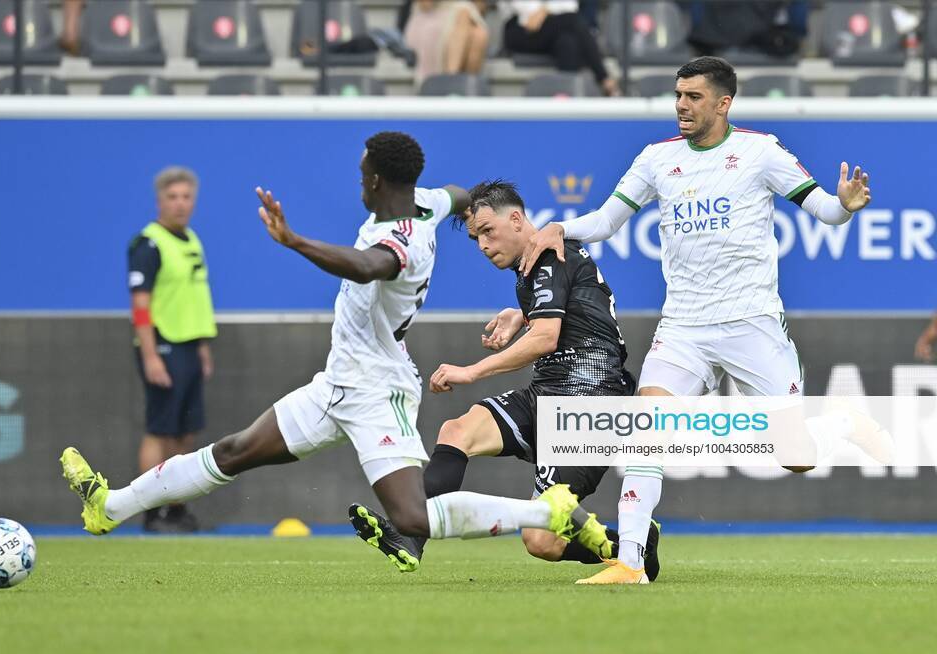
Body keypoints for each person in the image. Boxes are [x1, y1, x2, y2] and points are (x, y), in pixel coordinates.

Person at [61, 132, 606, 565]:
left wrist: (295, 241)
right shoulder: (428, 202)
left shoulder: (404, 243)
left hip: (376, 389)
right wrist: (518, 228)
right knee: (231, 453)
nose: (359, 183)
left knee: (413, 518)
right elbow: (461, 196)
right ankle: (109, 506)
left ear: (377, 179)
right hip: (335, 382)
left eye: (363, 173)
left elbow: (369, 265)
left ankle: (547, 514)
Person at [520, 56, 877, 583]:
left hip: (750, 323)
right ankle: (631, 563)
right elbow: (607, 219)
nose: (682, 106)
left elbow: (823, 209)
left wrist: (845, 206)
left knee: (794, 456)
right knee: (648, 431)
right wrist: (560, 227)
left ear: (723, 103)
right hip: (684, 326)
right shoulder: (657, 159)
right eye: (678, 95)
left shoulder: (760, 152)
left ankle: (845, 422)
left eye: (693, 97)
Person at [350, 180, 660, 581]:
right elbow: (574, 317)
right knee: (457, 431)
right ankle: (411, 534)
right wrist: (522, 313)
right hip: (548, 392)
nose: (482, 244)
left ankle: (634, 548)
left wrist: (472, 371)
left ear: (516, 219)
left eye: (487, 231)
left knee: (540, 541)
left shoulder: (551, 256)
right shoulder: (531, 269)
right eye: (476, 237)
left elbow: (547, 338)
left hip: (590, 406)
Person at [126, 166, 216, 533]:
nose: (180, 204)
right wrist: (150, 355)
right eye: (172, 197)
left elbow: (193, 298)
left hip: (189, 346)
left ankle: (176, 509)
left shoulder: (191, 239)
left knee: (185, 433)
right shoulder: (148, 244)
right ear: (159, 201)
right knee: (160, 430)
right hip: (162, 346)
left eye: (186, 197)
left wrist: (203, 347)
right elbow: (141, 304)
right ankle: (152, 512)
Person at [503, 0, 620, 96]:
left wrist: (544, 10)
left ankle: (567, 101)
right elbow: (530, 21)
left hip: (554, 28)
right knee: (572, 21)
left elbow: (569, 6)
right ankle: (605, 79)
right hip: (518, 31)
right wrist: (547, 9)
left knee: (567, 42)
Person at [403, 0, 489, 86]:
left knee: (479, 35)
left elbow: (479, 10)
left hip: (463, 25)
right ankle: (450, 83)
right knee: (463, 12)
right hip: (430, 19)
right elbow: (425, 5)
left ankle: (458, 88)